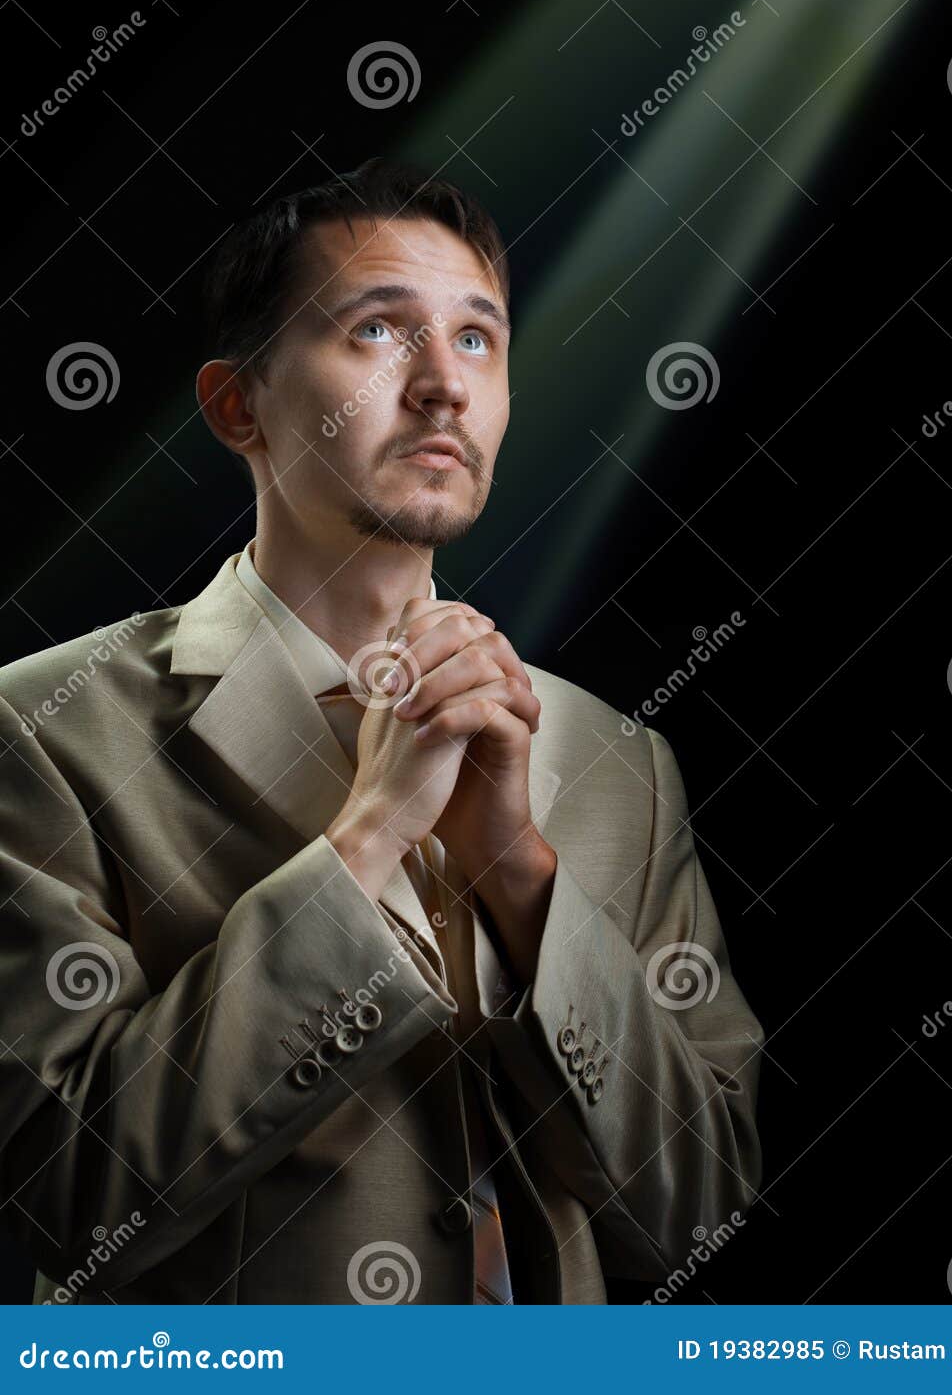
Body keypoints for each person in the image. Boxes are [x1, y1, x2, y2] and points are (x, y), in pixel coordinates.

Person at [0, 157, 763, 1305]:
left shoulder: (618, 765)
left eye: (475, 339)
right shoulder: (42, 733)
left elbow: (700, 1207)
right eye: (375, 330)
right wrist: (364, 843)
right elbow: (67, 1193)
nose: (442, 385)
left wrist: (520, 871)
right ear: (235, 404)